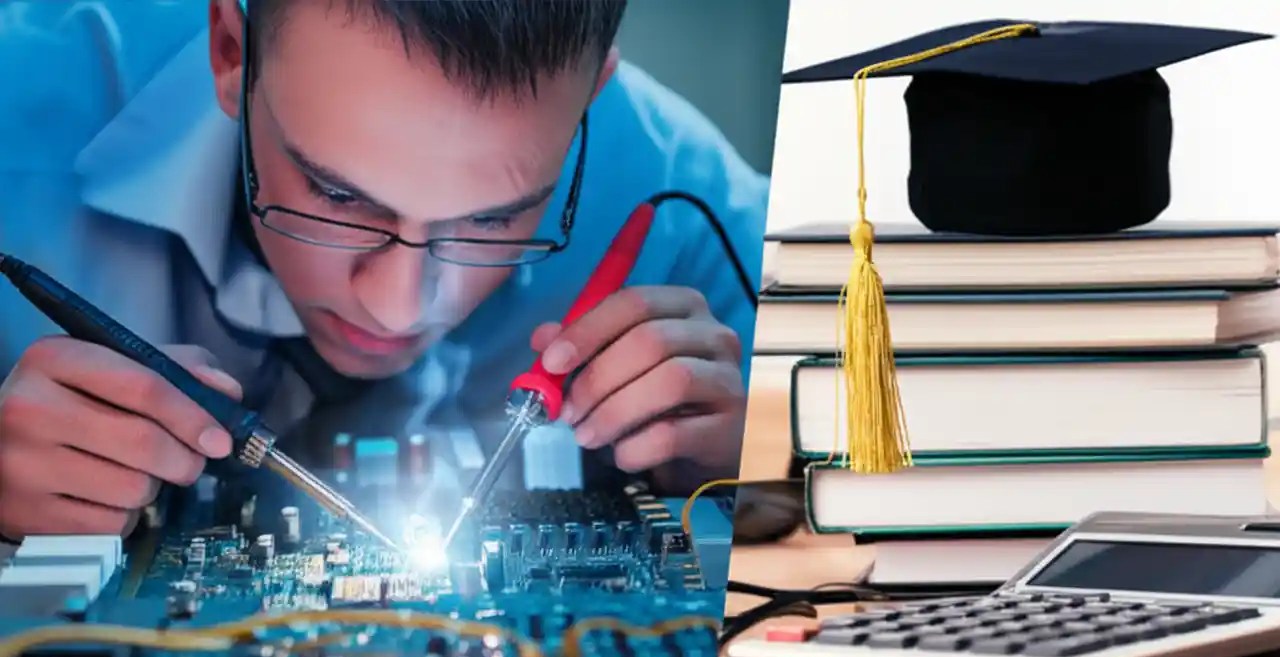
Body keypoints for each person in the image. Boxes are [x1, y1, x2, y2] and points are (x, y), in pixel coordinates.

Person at [0, 0, 766, 541]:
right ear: (231, 53)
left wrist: (759, 468)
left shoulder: (693, 206)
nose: (400, 309)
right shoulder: (20, 108)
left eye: (493, 218)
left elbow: (838, 483)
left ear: (593, 94)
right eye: (337, 196)